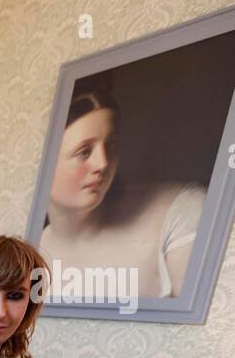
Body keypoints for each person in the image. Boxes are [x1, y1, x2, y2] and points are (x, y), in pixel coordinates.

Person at [39, 86, 206, 300]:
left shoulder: (181, 209)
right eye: (84, 152)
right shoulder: (31, 251)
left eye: (112, 145)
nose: (103, 163)